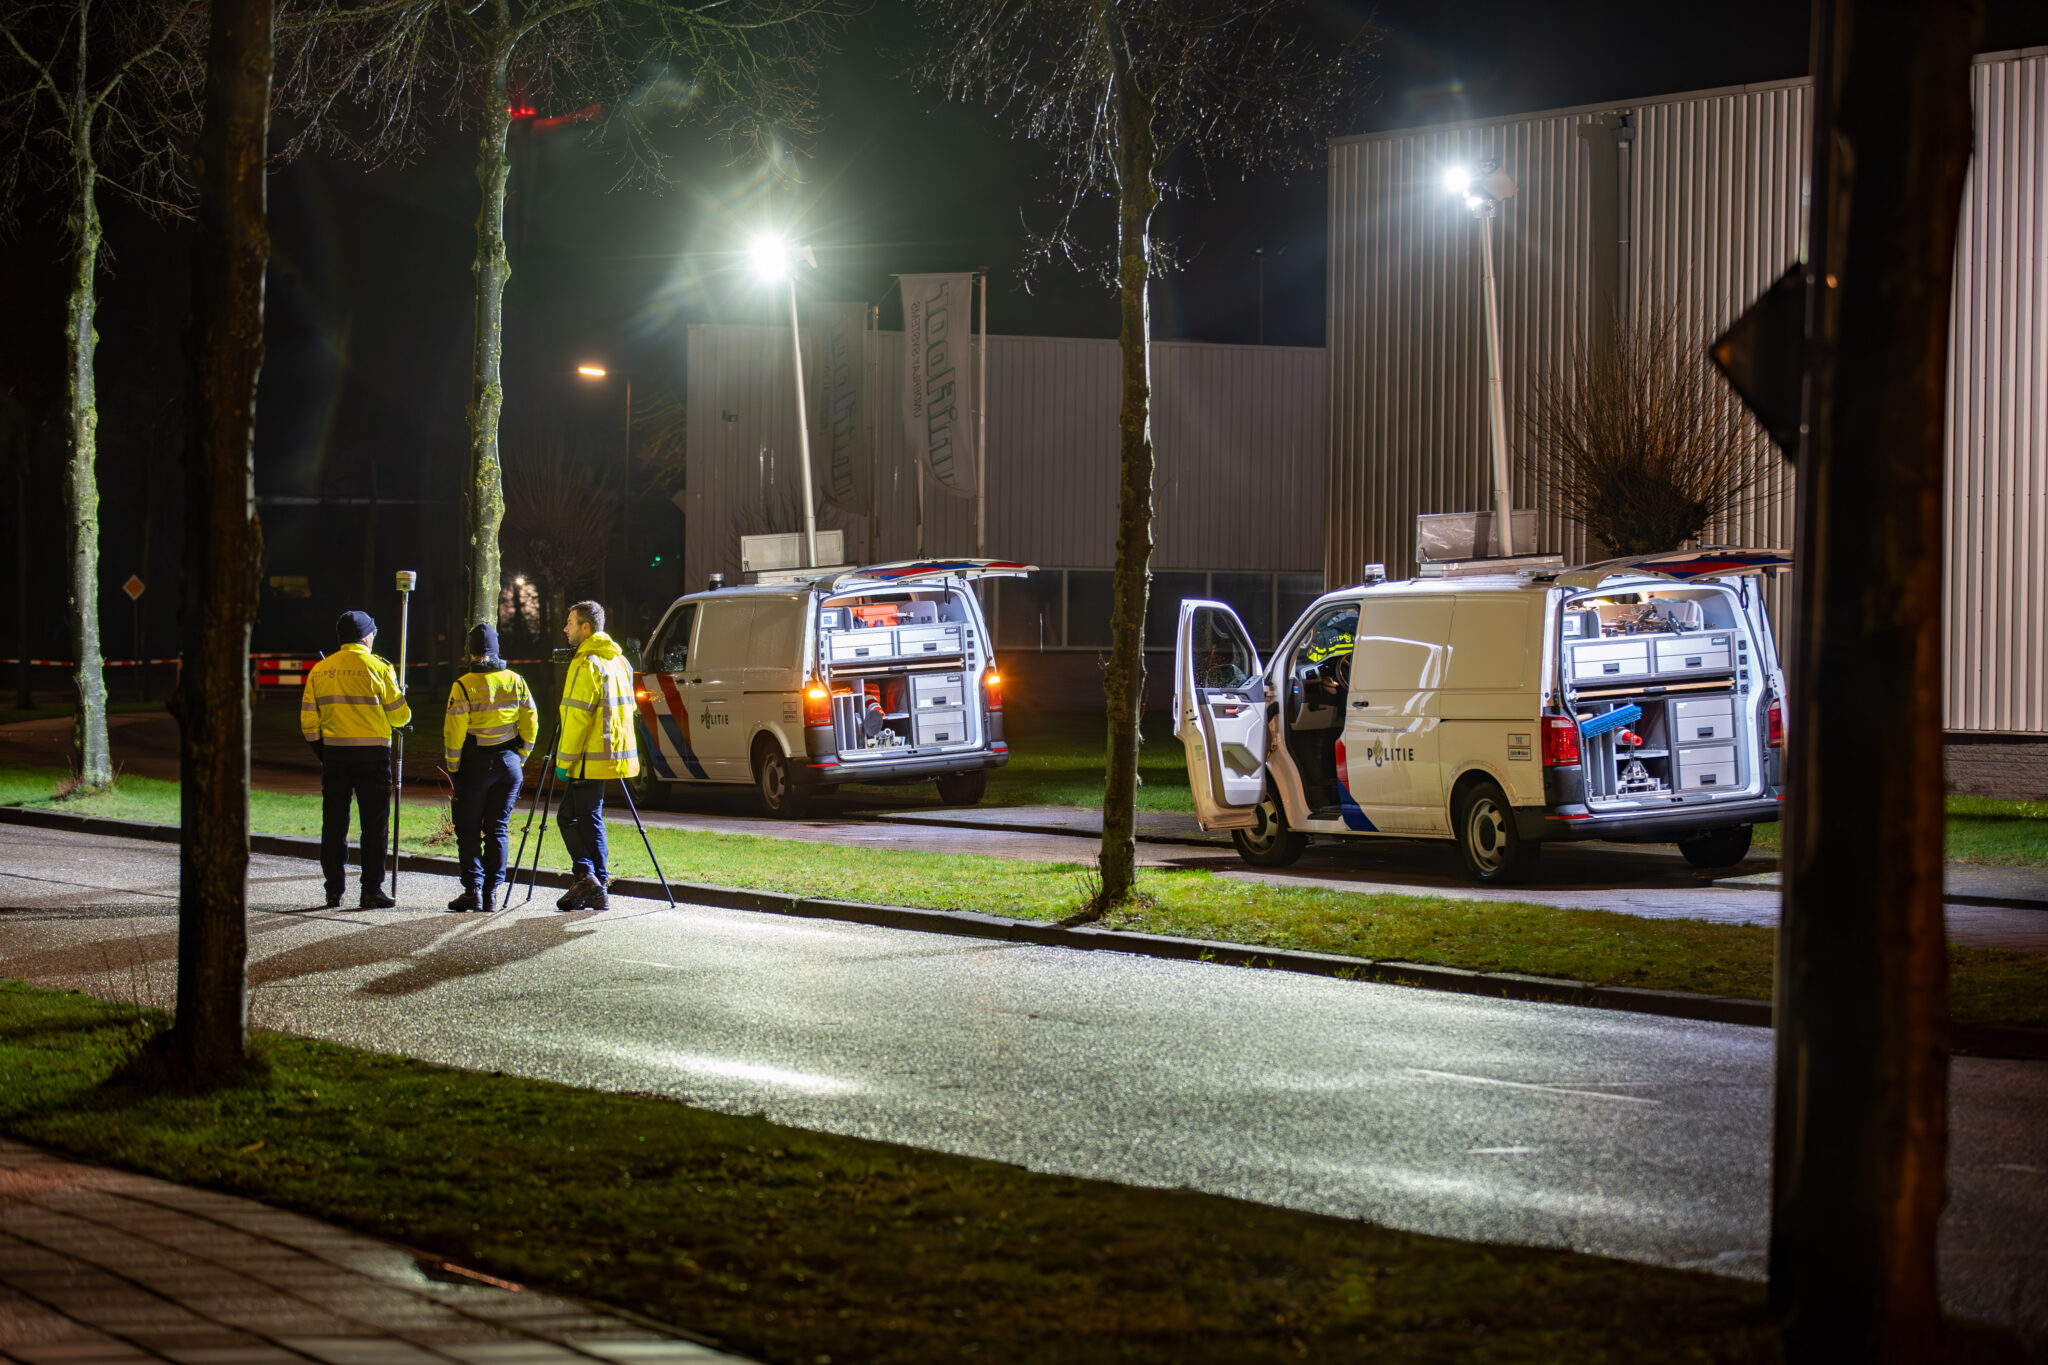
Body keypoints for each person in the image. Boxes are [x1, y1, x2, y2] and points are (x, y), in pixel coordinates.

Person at [300, 610, 411, 909]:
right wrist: (400, 695)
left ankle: (334, 890)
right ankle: (371, 891)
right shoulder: (380, 668)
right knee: (374, 826)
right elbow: (400, 717)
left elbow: (308, 721)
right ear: (365, 636)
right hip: (373, 756)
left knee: (334, 824)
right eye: (373, 633)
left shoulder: (320, 670)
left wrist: (324, 752)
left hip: (335, 756)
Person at [442, 623, 538, 912]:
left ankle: (473, 890)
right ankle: (492, 892)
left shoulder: (463, 685)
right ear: (497, 648)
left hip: (475, 763)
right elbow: (531, 721)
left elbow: (454, 732)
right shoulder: (516, 681)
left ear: (470, 651)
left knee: (468, 829)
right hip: (509, 763)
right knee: (498, 828)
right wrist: (522, 754)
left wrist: (453, 765)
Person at [553, 600, 640, 911]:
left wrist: (564, 761)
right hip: (611, 754)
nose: (565, 628)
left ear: (586, 628)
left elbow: (577, 717)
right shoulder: (619, 661)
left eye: (570, 623)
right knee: (585, 816)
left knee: (573, 817)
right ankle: (591, 883)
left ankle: (592, 880)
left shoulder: (586, 663)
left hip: (588, 757)